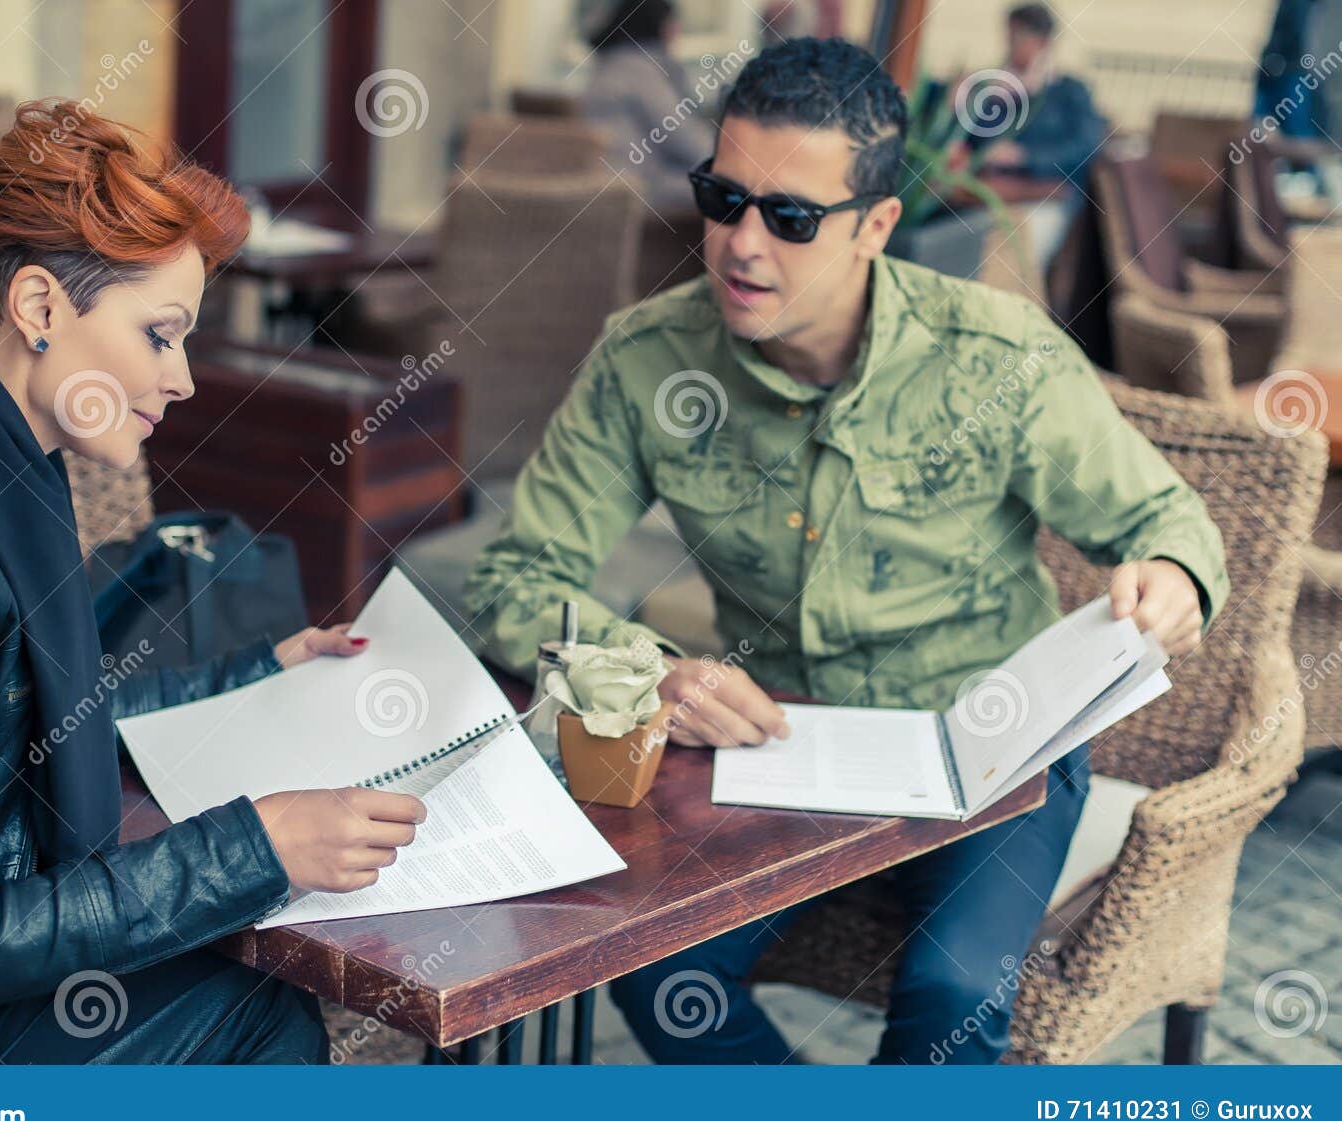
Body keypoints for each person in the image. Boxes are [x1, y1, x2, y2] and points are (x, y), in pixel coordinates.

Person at [466, 37, 1227, 1064]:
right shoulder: (646, 361)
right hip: (771, 752)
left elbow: (1168, 529)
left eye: (788, 218)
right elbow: (517, 578)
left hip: (987, 750)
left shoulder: (995, 355)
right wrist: (652, 675)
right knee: (644, 966)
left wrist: (1174, 579)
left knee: (954, 992)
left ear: (874, 226)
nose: (741, 244)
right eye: (721, 197)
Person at [0, 101, 427, 1065]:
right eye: (160, 334)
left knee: (248, 1001)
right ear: (39, 308)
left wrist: (252, 673)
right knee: (251, 1018)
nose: (182, 376)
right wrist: (256, 846)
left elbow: (7, 712)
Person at [951, 2, 1106, 271]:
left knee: (1019, 249)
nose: (1011, 45)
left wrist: (1027, 157)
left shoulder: (1070, 92)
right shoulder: (996, 88)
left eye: (1020, 37)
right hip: (992, 192)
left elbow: (1085, 147)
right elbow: (972, 143)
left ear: (1043, 42)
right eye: (1009, 36)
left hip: (1045, 196)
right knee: (954, 234)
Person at [581, 0, 714, 210]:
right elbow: (685, 139)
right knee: (731, 191)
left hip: (608, 187)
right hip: (638, 190)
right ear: (660, 24)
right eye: (674, 22)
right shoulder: (639, 71)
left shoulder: (611, 63)